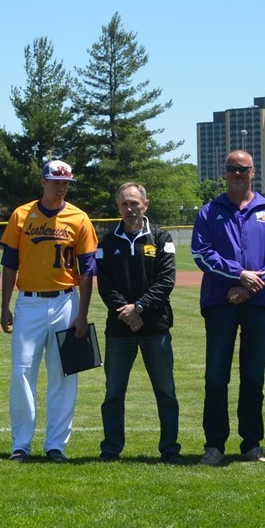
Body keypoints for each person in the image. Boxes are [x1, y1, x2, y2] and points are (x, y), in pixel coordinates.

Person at [191, 149, 265, 466]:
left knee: (253, 377)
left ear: (253, 171)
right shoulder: (210, 210)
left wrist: (251, 286)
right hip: (221, 301)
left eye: (242, 169)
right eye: (232, 169)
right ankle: (214, 445)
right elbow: (202, 253)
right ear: (225, 172)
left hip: (258, 302)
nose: (237, 173)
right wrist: (238, 275)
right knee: (216, 377)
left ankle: (251, 443)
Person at [0, 159, 98, 462]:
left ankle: (56, 444)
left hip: (66, 301)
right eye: (56, 181)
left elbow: (87, 270)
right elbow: (10, 264)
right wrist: (4, 307)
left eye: (66, 182)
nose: (61, 186)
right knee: (21, 372)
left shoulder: (79, 218)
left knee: (65, 374)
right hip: (28, 301)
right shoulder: (21, 215)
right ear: (43, 182)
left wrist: (82, 314)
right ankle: (21, 444)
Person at [95, 182, 184, 464]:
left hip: (155, 328)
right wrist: (127, 312)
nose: (130, 208)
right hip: (119, 330)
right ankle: (111, 449)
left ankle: (170, 449)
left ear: (146, 205)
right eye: (124, 204)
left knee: (166, 392)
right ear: (118, 207)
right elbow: (105, 285)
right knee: (113, 393)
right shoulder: (107, 242)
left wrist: (140, 308)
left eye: (134, 203)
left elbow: (166, 281)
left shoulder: (161, 238)